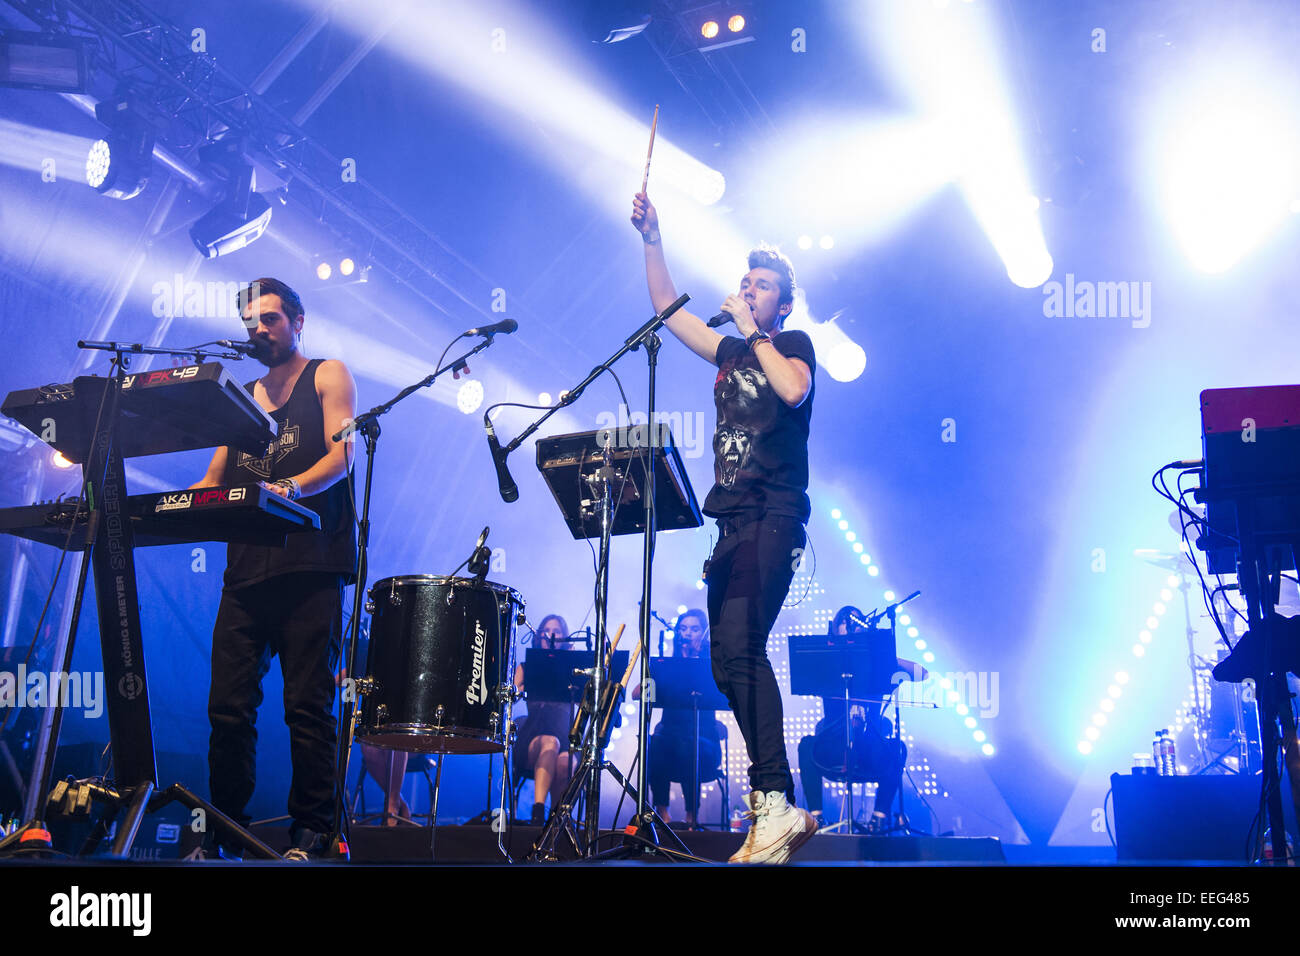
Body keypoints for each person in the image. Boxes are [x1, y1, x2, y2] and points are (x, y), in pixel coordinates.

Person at [631, 192, 817, 864]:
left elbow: (792, 392)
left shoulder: (788, 343)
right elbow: (667, 309)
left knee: (741, 645)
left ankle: (773, 802)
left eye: (762, 285)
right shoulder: (732, 351)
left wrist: (754, 330)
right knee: (724, 658)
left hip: (775, 513)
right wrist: (654, 238)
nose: (748, 289)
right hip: (733, 520)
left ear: (782, 303)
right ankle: (775, 804)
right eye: (746, 282)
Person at [191, 277, 357, 859]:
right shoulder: (239, 394)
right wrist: (147, 502)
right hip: (246, 572)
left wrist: (287, 486)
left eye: (270, 319)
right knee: (228, 708)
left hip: (310, 563)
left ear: (297, 321)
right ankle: (224, 831)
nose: (259, 330)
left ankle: (312, 832)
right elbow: (210, 483)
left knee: (307, 705)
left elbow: (343, 455)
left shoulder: (327, 374)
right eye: (252, 323)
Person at [797, 606, 909, 833]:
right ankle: (816, 818)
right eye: (845, 622)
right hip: (835, 748)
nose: (851, 625)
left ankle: (878, 817)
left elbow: (922, 673)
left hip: (870, 750)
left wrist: (889, 659)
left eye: (857, 621)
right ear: (836, 628)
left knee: (897, 747)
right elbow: (804, 675)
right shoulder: (827, 662)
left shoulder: (877, 663)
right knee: (806, 745)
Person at [646, 609, 723, 827]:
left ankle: (692, 817)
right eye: (683, 628)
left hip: (704, 743)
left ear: (704, 634)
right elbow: (639, 693)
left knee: (690, 747)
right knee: (654, 744)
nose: (687, 633)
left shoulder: (712, 665)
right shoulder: (667, 665)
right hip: (669, 742)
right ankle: (662, 813)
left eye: (694, 629)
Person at [512, 614, 577, 824]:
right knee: (551, 742)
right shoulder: (527, 666)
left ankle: (557, 818)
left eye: (557, 630)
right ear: (539, 634)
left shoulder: (573, 668)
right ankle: (538, 810)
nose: (551, 634)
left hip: (565, 733)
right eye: (547, 629)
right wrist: (518, 688)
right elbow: (512, 692)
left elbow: (586, 702)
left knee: (565, 761)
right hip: (535, 732)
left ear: (564, 637)